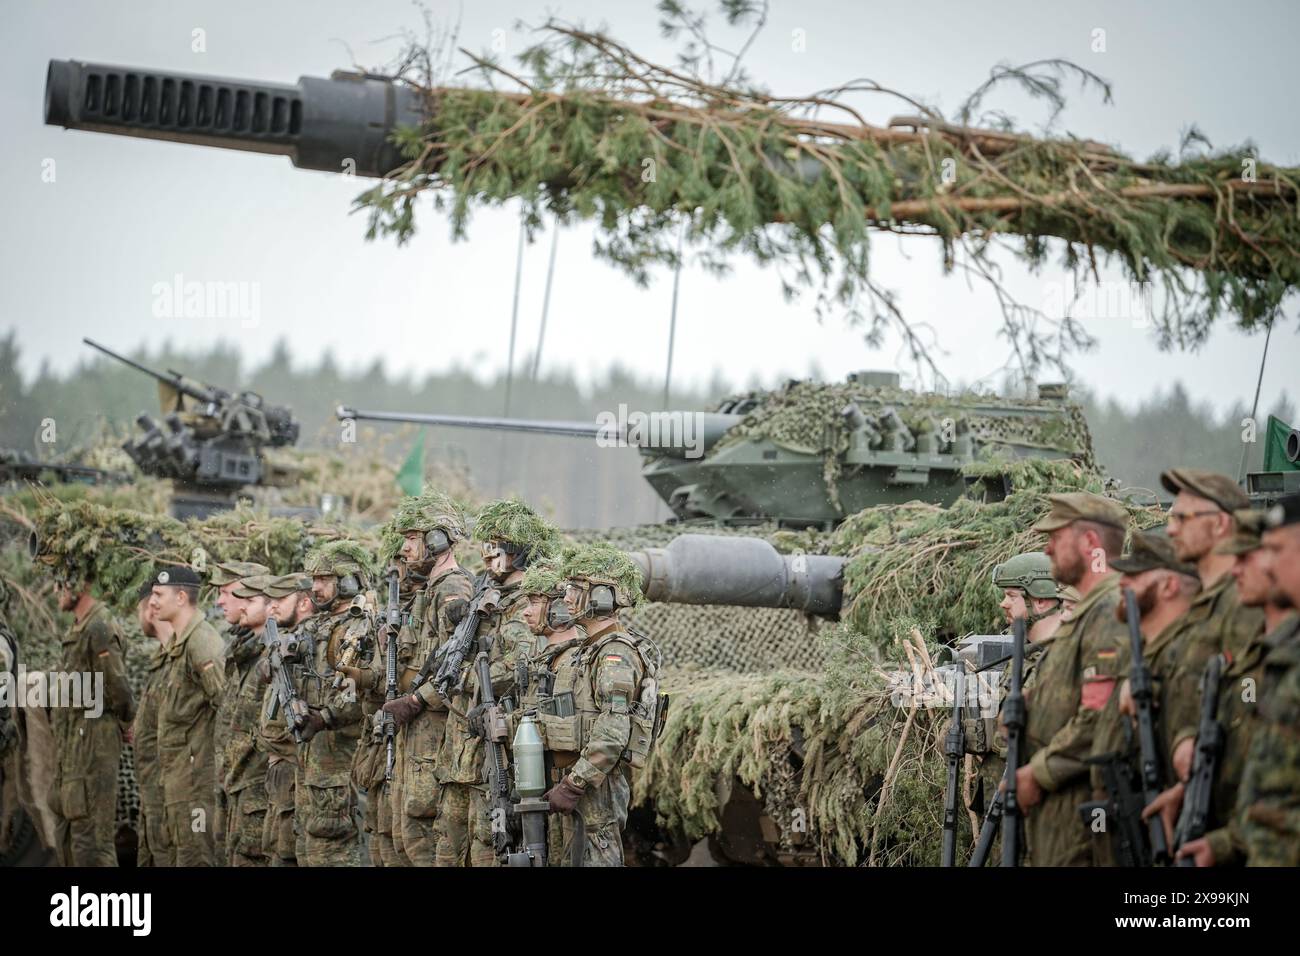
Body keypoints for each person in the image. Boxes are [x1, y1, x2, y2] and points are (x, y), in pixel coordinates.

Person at [384, 498, 557, 867]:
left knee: (487, 852)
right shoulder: (485, 596)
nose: (487, 558)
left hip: (493, 754)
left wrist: (458, 678)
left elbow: (518, 666)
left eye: (497, 550)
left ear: (519, 553)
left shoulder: (526, 605)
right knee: (445, 850)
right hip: (458, 755)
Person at [346, 493, 472, 866]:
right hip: (414, 735)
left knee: (424, 844)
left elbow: (458, 664)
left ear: (437, 540)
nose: (405, 548)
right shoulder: (430, 591)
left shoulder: (452, 589)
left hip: (434, 733)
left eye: (413, 539)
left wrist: (418, 700)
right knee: (404, 841)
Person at [533, 544, 663, 866]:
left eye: (576, 589)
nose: (565, 598)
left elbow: (613, 730)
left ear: (603, 597)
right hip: (570, 781)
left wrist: (575, 784)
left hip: (594, 788)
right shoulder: (585, 650)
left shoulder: (615, 654)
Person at [1019, 492, 1130, 866]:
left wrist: (1037, 774)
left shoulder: (1108, 611)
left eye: (1056, 538)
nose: (1048, 550)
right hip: (1063, 817)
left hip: (1085, 822)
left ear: (1089, 543)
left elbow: (1100, 716)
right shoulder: (1088, 613)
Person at [1087, 529, 1203, 865]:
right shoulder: (1146, 656)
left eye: (1135, 575)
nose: (1122, 582)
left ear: (1169, 585)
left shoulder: (1192, 656)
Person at [294, 541, 375, 866]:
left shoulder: (360, 629)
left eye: (324, 579)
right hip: (311, 764)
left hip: (342, 765)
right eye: (314, 579)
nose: (316, 588)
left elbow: (357, 690)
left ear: (349, 581)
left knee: (339, 854)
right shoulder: (315, 626)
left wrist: (325, 716)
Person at [50, 574, 135, 866]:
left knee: (93, 846)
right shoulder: (79, 627)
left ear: (80, 583)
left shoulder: (99, 625)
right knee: (71, 839)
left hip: (93, 748)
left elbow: (117, 684)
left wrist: (127, 722)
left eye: (60, 583)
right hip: (73, 749)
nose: (54, 591)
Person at [150, 564, 224, 866]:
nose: (152, 601)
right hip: (179, 775)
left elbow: (225, 704)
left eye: (158, 594)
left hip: (196, 779)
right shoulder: (179, 644)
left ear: (181, 598)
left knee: (196, 857)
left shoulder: (201, 642)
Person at [209, 560, 268, 865]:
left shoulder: (272, 654)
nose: (219, 601)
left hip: (258, 795)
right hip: (232, 788)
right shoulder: (241, 650)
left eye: (226, 592)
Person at [132, 577, 175, 866]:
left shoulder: (182, 658)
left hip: (171, 793)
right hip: (153, 791)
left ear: (150, 609)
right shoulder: (163, 658)